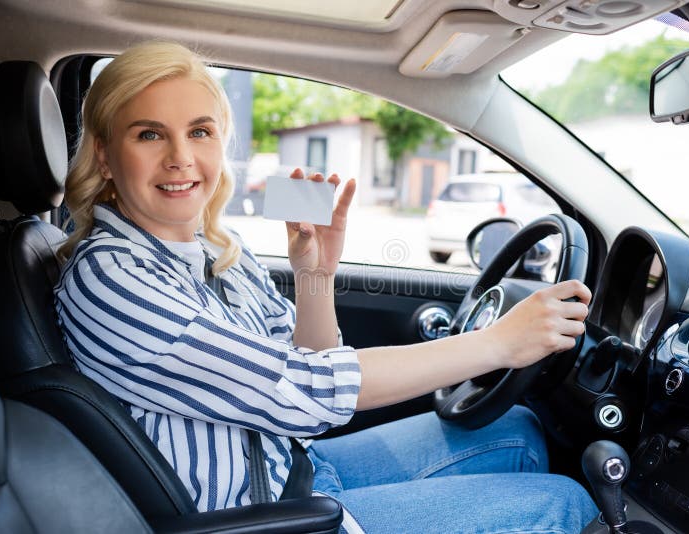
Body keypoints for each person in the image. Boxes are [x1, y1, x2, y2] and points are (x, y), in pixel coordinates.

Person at [54, 41, 598, 533]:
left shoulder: (217, 248)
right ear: (104, 155)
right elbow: (308, 390)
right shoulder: (109, 275)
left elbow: (306, 360)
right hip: (260, 521)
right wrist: (497, 343)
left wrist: (315, 275)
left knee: (518, 432)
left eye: (199, 131)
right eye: (149, 134)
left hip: (296, 470)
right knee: (563, 504)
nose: (181, 157)